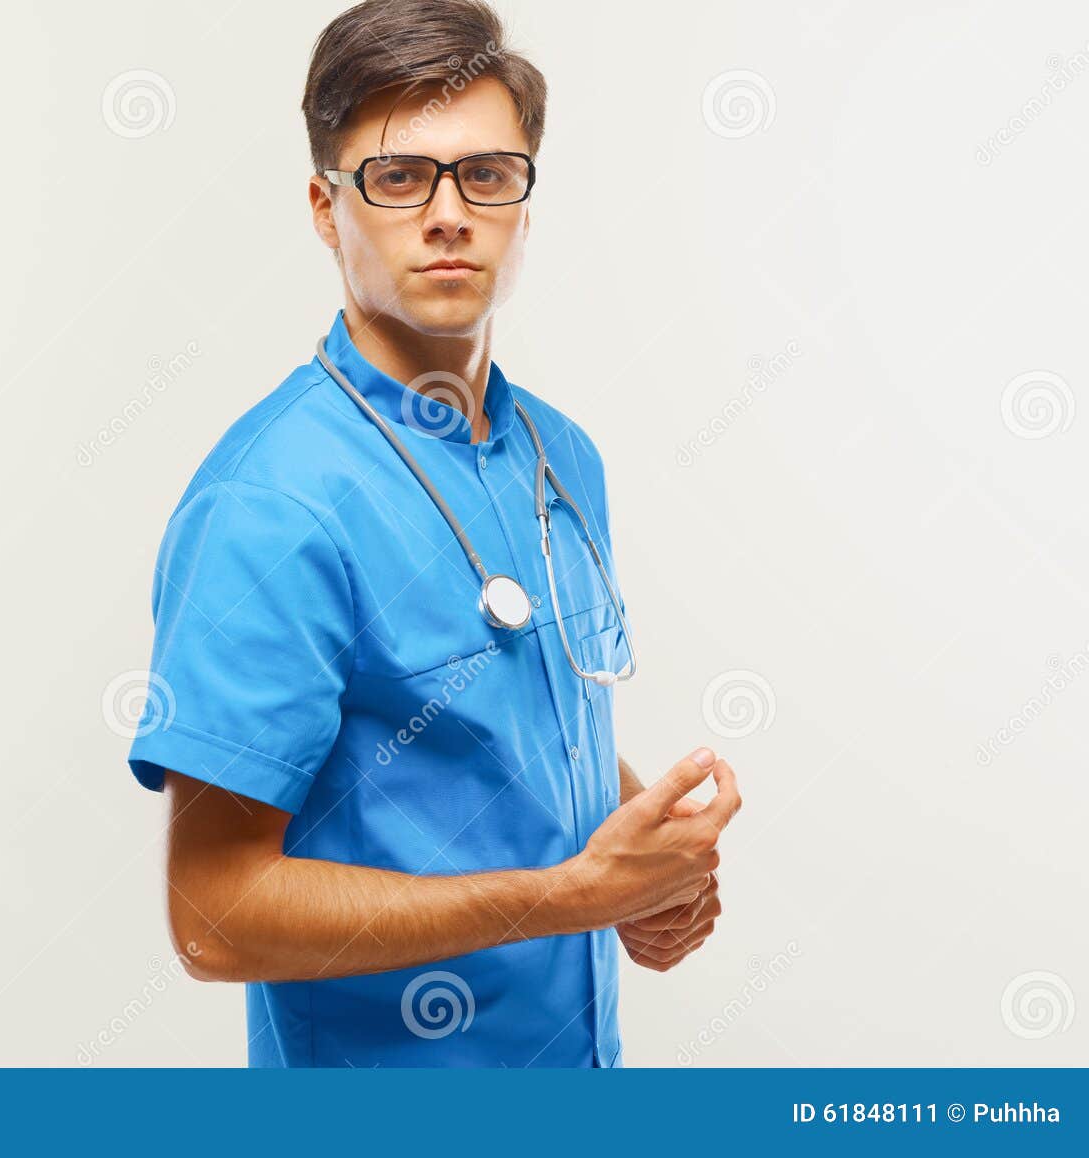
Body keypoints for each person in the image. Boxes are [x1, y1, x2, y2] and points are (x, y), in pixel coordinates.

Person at [125, 0, 741, 1067]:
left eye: (486, 174)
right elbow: (213, 914)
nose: (448, 214)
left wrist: (645, 864)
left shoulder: (558, 456)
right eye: (398, 177)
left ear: (523, 203)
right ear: (326, 210)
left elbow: (505, 728)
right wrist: (567, 897)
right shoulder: (270, 505)